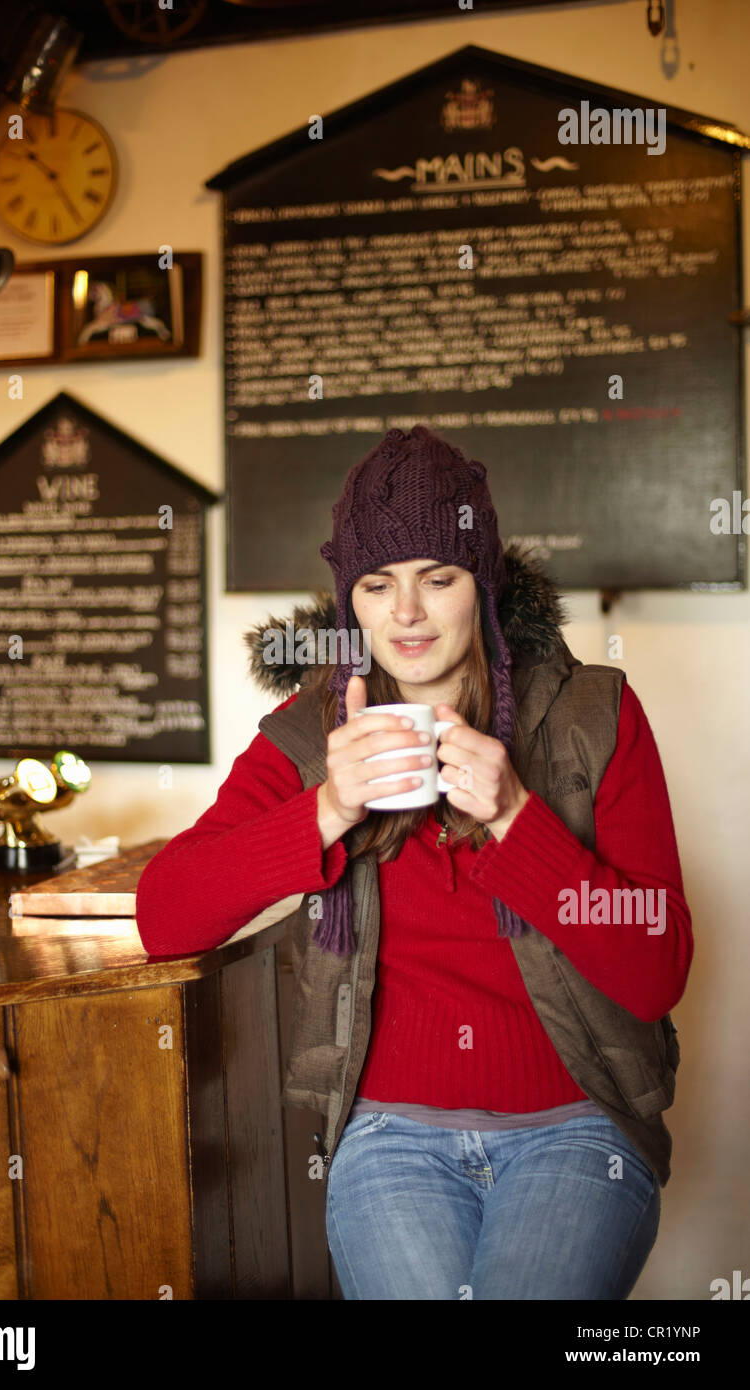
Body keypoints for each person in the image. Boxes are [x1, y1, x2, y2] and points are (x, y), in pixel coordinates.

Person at [136, 424, 692, 1301]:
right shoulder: (309, 736)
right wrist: (325, 811)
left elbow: (655, 965)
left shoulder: (595, 715)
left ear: (484, 584)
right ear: (347, 600)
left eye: (439, 579)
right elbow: (164, 916)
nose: (406, 614)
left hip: (577, 1128)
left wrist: (516, 818)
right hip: (391, 1136)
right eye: (377, 584)